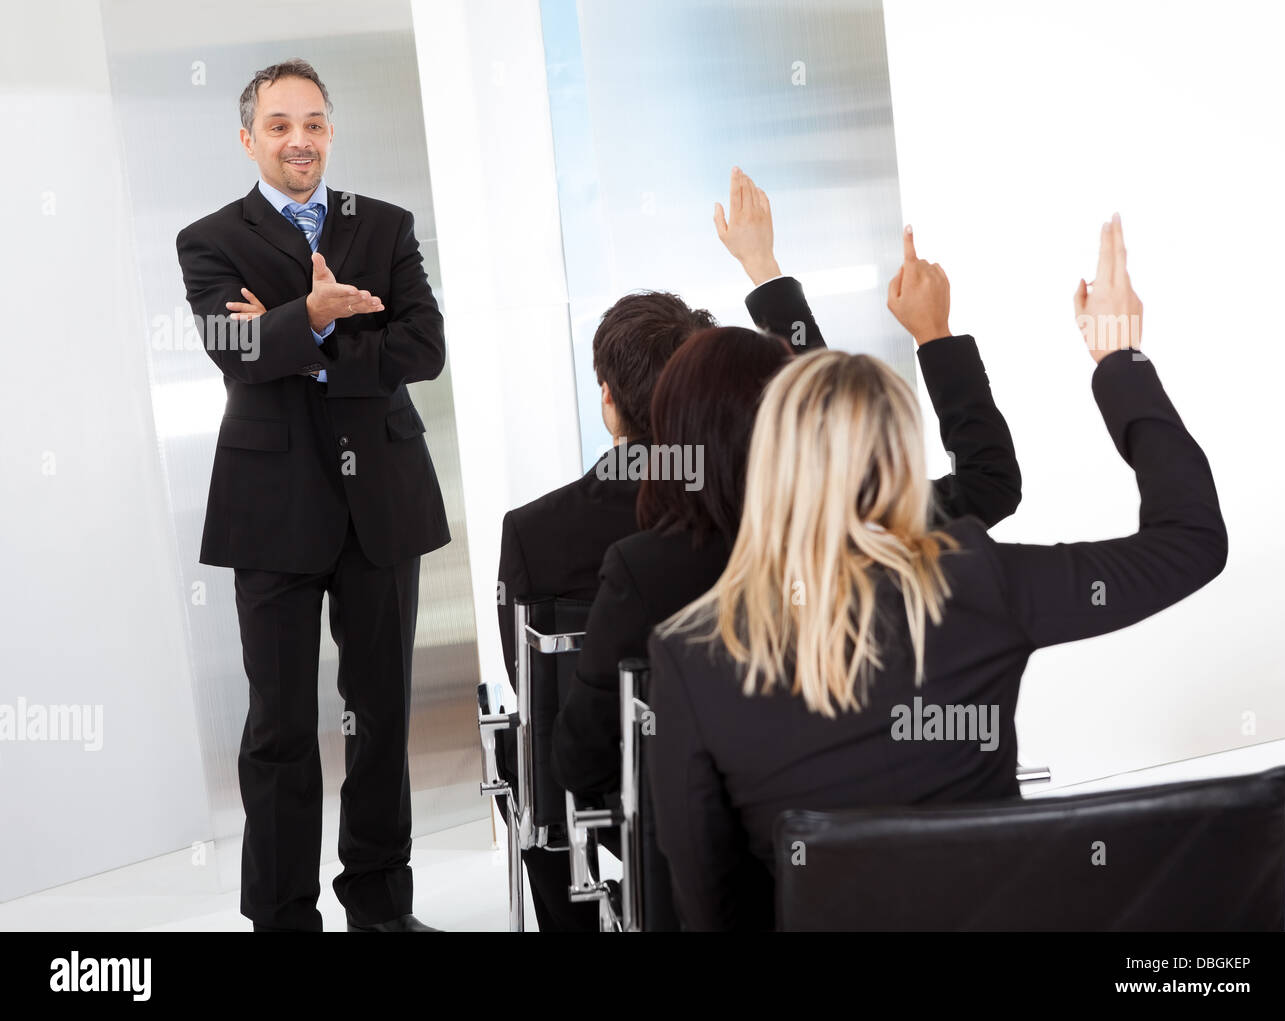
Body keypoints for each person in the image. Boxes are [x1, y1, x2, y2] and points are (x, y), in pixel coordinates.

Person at [647, 215, 1229, 931]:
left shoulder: (692, 655)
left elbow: (710, 905)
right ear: (897, 456)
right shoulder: (976, 581)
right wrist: (1120, 360)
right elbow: (1191, 542)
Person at [552, 213, 1023, 803]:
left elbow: (580, 764)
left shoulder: (636, 565)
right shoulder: (855, 519)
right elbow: (987, 483)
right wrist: (933, 334)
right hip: (892, 822)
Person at [493, 167, 830, 931]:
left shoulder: (535, 531)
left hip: (621, 804)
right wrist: (764, 267)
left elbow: (544, 705)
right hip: (785, 795)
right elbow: (828, 412)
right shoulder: (774, 510)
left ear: (607, 401)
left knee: (526, 754)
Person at [175, 59, 447, 932]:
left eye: (315, 123)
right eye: (281, 124)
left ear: (331, 131)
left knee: (382, 717)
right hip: (272, 510)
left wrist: (297, 333)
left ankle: (381, 904)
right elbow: (235, 350)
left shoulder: (386, 224)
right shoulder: (209, 240)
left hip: (384, 505)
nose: (301, 140)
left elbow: (425, 347)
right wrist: (325, 316)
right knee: (281, 726)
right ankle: (282, 916)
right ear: (248, 138)